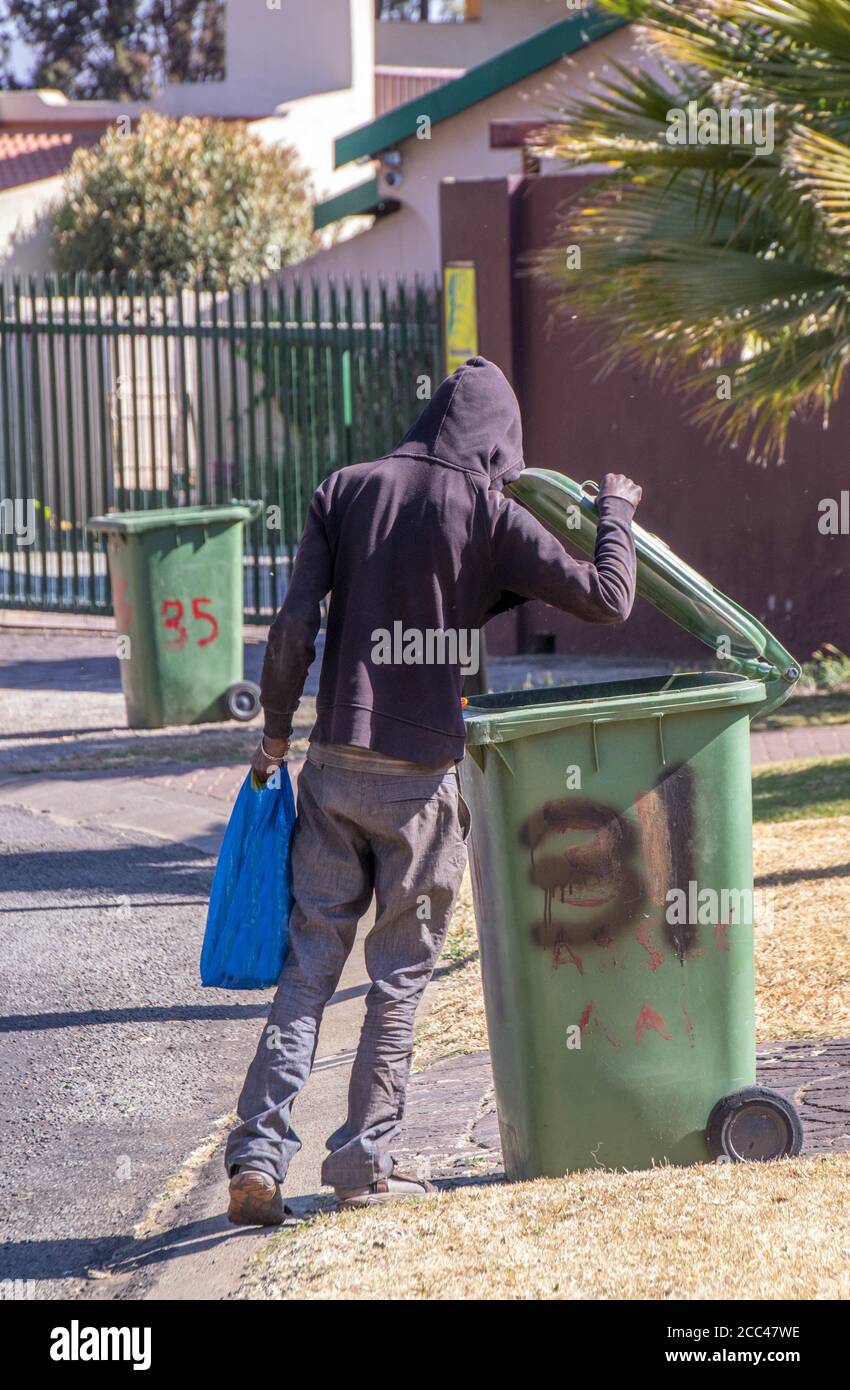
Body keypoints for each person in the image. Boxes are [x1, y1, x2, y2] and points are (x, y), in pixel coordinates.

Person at [225, 356, 641, 1225]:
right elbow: (609, 597)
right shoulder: (489, 510)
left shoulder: (344, 490)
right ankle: (361, 1163)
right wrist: (618, 513)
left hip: (334, 769)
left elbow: (294, 628)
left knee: (306, 972)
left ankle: (257, 1154)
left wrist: (272, 736)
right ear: (501, 438)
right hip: (420, 788)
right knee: (396, 982)